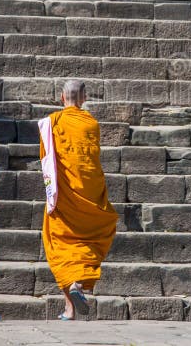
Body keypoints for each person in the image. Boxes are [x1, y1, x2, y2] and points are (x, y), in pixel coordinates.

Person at [39, 80, 119, 320]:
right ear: (83, 98)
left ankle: (70, 306)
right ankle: (77, 290)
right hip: (89, 194)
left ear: (62, 97)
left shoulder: (50, 123)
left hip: (63, 197)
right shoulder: (91, 124)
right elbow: (90, 161)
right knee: (91, 240)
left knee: (60, 246)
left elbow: (47, 162)